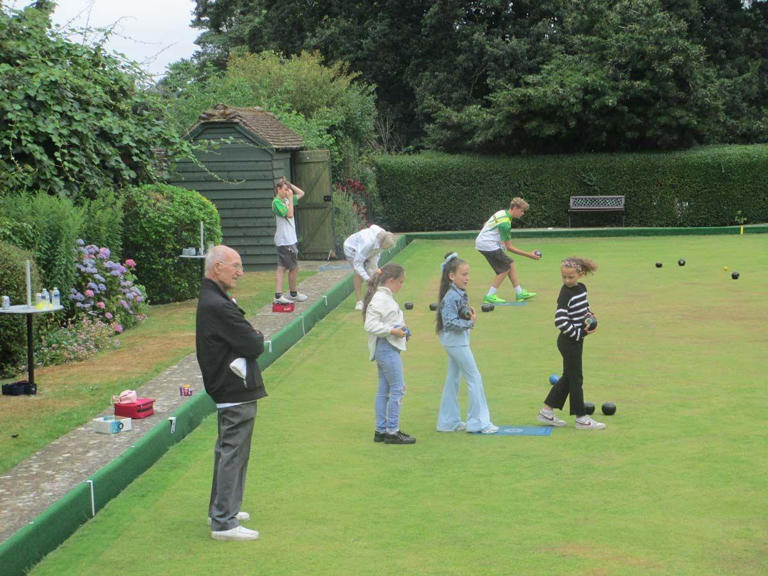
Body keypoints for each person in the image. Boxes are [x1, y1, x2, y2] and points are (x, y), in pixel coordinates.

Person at [196, 245, 267, 541]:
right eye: (235, 266)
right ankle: (224, 522)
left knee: (230, 450)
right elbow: (253, 344)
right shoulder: (219, 305)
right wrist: (256, 336)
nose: (240, 272)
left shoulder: (215, 299)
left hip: (231, 386)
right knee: (232, 452)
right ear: (217, 268)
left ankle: (223, 509)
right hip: (232, 387)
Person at [537, 257, 606, 430]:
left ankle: (546, 412)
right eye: (564, 277)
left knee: (569, 377)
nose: (567, 280)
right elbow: (560, 320)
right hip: (569, 341)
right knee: (576, 378)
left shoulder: (582, 288)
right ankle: (581, 418)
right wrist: (579, 333)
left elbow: (584, 307)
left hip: (576, 340)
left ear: (580, 274)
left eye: (570, 277)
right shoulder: (565, 293)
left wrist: (590, 316)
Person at [436, 252, 499, 434]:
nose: (467, 278)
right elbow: (449, 322)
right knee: (474, 377)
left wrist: (467, 315)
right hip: (455, 343)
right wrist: (470, 322)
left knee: (453, 379)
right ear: (452, 276)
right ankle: (479, 423)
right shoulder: (452, 296)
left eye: (468, 274)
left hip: (456, 341)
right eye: (464, 274)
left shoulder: (457, 293)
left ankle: (448, 422)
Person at [363, 263, 415, 445]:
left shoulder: (384, 297)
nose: (402, 285)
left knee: (384, 390)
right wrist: (393, 332)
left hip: (387, 347)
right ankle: (392, 431)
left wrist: (402, 331)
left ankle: (381, 430)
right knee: (398, 388)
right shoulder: (380, 299)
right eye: (400, 282)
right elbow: (370, 325)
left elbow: (391, 320)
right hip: (386, 348)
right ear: (391, 281)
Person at [475, 197, 540, 304]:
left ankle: (519, 293)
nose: (523, 213)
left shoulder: (501, 212)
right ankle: (490, 296)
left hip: (485, 243)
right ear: (514, 208)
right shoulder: (505, 223)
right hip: (487, 245)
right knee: (505, 268)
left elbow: (486, 223)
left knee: (510, 263)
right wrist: (529, 255)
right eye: (522, 210)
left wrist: (494, 238)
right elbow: (509, 247)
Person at [344, 225, 397, 310]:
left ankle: (373, 299)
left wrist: (374, 271)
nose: (385, 249)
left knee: (373, 273)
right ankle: (359, 302)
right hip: (352, 248)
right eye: (385, 248)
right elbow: (357, 264)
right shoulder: (367, 243)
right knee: (358, 273)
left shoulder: (383, 236)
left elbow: (375, 256)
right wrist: (367, 279)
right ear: (382, 243)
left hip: (371, 247)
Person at [272, 177, 308, 305]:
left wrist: (290, 185)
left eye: (288, 190)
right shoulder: (276, 202)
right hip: (284, 240)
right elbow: (290, 215)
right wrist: (291, 199)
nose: (287, 192)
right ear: (278, 189)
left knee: (289, 267)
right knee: (287, 267)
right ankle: (284, 295)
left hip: (290, 239)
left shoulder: (286, 199)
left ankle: (288, 294)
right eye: (285, 189)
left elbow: (302, 193)